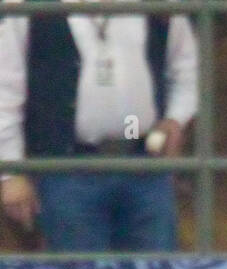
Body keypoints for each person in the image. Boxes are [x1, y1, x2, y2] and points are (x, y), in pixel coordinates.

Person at [0, 0, 197, 251]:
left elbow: (186, 71)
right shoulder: (26, 7)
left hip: (143, 163)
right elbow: (5, 94)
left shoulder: (162, 6)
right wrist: (10, 173)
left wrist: (175, 118)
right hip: (65, 170)